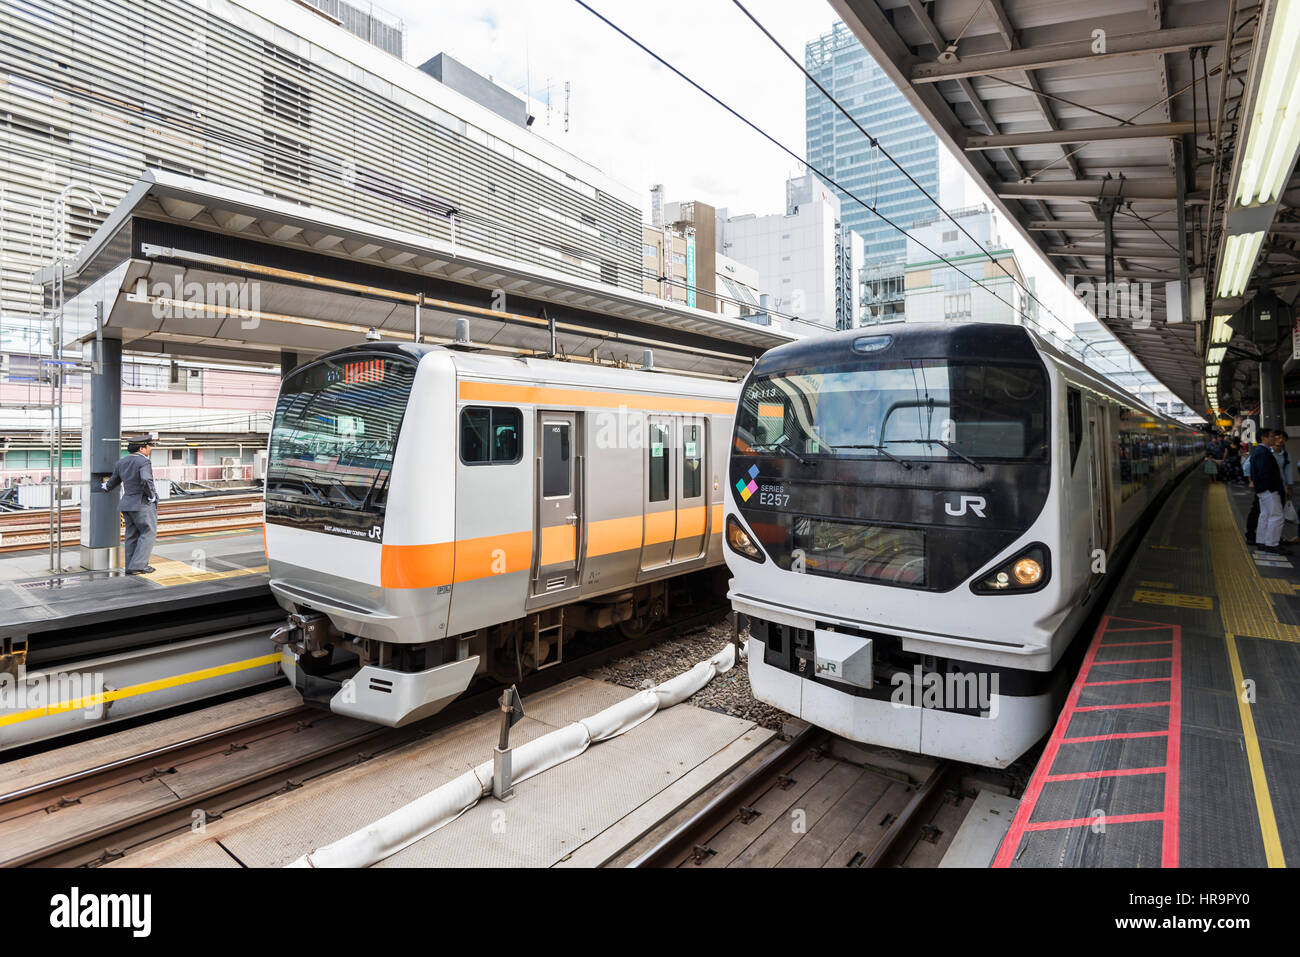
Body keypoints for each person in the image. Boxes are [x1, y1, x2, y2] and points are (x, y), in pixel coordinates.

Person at [101, 435, 159, 574]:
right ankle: (139, 565)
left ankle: (130, 566)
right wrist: (151, 495)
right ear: (142, 448)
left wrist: (104, 487)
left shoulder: (121, 462)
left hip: (127, 504)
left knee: (131, 534)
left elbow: (113, 481)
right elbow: (146, 479)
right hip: (142, 504)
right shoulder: (144, 462)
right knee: (148, 533)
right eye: (149, 446)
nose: (150, 448)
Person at [1249, 429, 1288, 553]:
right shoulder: (1263, 452)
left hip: (1263, 490)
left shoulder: (1260, 451)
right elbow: (1264, 472)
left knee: (1265, 515)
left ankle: (1262, 541)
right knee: (1277, 516)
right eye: (1272, 436)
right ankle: (1272, 543)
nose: (1274, 439)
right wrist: (1273, 487)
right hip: (1269, 489)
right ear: (1263, 438)